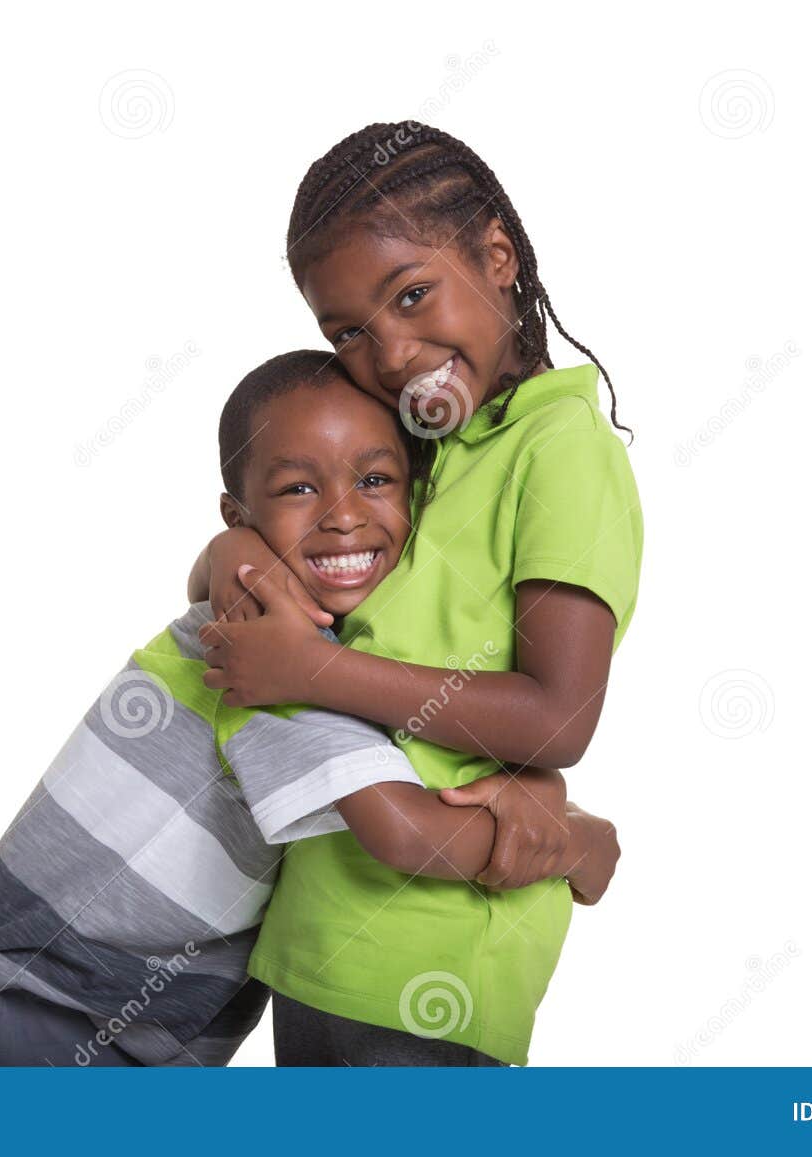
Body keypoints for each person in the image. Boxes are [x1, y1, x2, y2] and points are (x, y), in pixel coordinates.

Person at [0, 350, 620, 1066]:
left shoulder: (294, 635)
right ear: (242, 513)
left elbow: (213, 572)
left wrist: (226, 551)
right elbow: (407, 835)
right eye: (297, 488)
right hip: (47, 1002)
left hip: (127, 1020)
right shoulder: (269, 659)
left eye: (376, 479)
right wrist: (574, 842)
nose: (344, 516)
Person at [192, 123, 644, 1066]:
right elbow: (274, 527)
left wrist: (316, 668)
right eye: (348, 332)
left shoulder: (561, 451)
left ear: (496, 253)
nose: (390, 352)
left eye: (411, 295)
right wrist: (236, 548)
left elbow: (558, 718)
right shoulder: (419, 445)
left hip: (433, 965)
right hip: (315, 935)